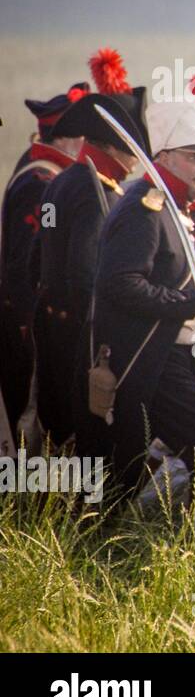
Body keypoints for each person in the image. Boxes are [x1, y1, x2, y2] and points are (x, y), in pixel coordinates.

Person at [92, 87, 195, 520]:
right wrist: (191, 301)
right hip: (142, 358)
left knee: (135, 466)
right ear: (168, 156)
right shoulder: (143, 209)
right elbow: (120, 285)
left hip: (172, 359)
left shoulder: (190, 214)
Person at [31, 69, 145, 448]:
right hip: (80, 334)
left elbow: (39, 253)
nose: (137, 158)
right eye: (133, 147)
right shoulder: (98, 193)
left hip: (51, 324)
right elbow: (84, 274)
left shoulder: (60, 183)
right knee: (86, 436)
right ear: (114, 146)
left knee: (57, 425)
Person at [0, 85, 86, 445]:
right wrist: (29, 324)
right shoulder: (41, 182)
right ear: (69, 138)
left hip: (31, 320)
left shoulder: (44, 172)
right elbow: (24, 263)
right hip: (25, 324)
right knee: (27, 419)